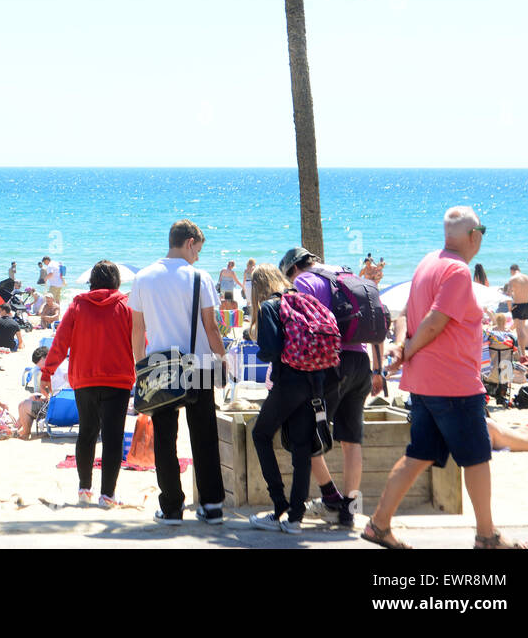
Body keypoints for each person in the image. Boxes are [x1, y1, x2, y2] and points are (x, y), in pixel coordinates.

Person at [363, 207, 526, 549]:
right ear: (473, 236)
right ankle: (487, 536)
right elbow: (435, 322)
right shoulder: (456, 271)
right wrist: (404, 350)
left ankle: (378, 525)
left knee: (418, 455)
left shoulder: (427, 263)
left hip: (423, 383)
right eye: (481, 230)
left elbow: (406, 314)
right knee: (477, 459)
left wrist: (400, 346)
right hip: (453, 383)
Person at [130, 219, 229, 526]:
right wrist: (223, 358)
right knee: (205, 437)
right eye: (197, 250)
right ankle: (212, 506)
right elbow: (211, 327)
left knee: (165, 440)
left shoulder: (143, 277)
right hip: (198, 366)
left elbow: (137, 329)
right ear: (189, 242)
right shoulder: (200, 277)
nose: (197, 256)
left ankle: (172, 507)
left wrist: (140, 369)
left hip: (160, 367)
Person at [281, 245, 383, 529]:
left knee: (304, 432)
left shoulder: (304, 281)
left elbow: (300, 325)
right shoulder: (344, 274)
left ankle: (330, 498)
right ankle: (350, 510)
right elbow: (374, 318)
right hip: (362, 363)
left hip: (332, 363)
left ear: (293, 269)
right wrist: (379, 370)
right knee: (351, 440)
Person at [39, 260, 136, 506]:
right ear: (116, 281)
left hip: (85, 379)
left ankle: (84, 490)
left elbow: (60, 342)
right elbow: (140, 343)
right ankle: (107, 495)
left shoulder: (77, 306)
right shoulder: (126, 306)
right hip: (118, 379)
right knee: (113, 437)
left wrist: (47, 372)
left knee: (87, 433)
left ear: (92, 281)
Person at [245, 265, 326, 534]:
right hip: (313, 381)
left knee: (260, 434)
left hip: (287, 382)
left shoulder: (269, 306)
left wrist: (257, 352)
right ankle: (294, 519)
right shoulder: (302, 299)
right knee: (301, 447)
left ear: (258, 287)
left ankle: (279, 504)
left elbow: (271, 350)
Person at [502, 265, 528, 347]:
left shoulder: (512, 279)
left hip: (517, 305)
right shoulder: (527, 278)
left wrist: (509, 308)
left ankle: (523, 353)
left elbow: (508, 295)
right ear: (519, 269)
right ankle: (522, 351)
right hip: (526, 305)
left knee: (520, 331)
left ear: (512, 271)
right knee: (522, 328)